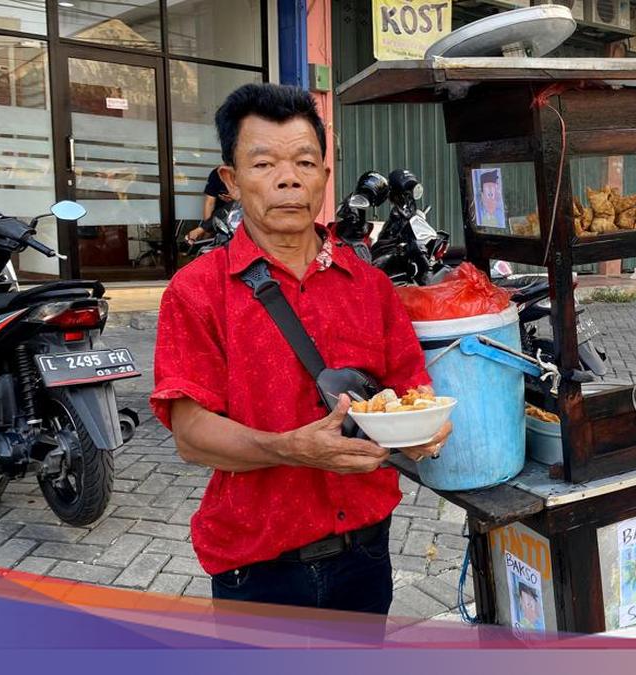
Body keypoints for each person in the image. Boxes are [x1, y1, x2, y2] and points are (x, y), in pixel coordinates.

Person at [150, 83, 451, 613]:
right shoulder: (196, 290)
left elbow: (410, 390)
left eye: (305, 162)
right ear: (231, 181)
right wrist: (289, 448)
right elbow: (192, 436)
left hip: (366, 551)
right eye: (263, 163)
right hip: (259, 566)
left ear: (324, 177)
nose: (288, 178)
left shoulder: (370, 285)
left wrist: (424, 430)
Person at [185, 168, 237, 245]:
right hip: (220, 219)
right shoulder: (217, 174)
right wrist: (206, 230)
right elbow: (209, 203)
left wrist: (202, 229)